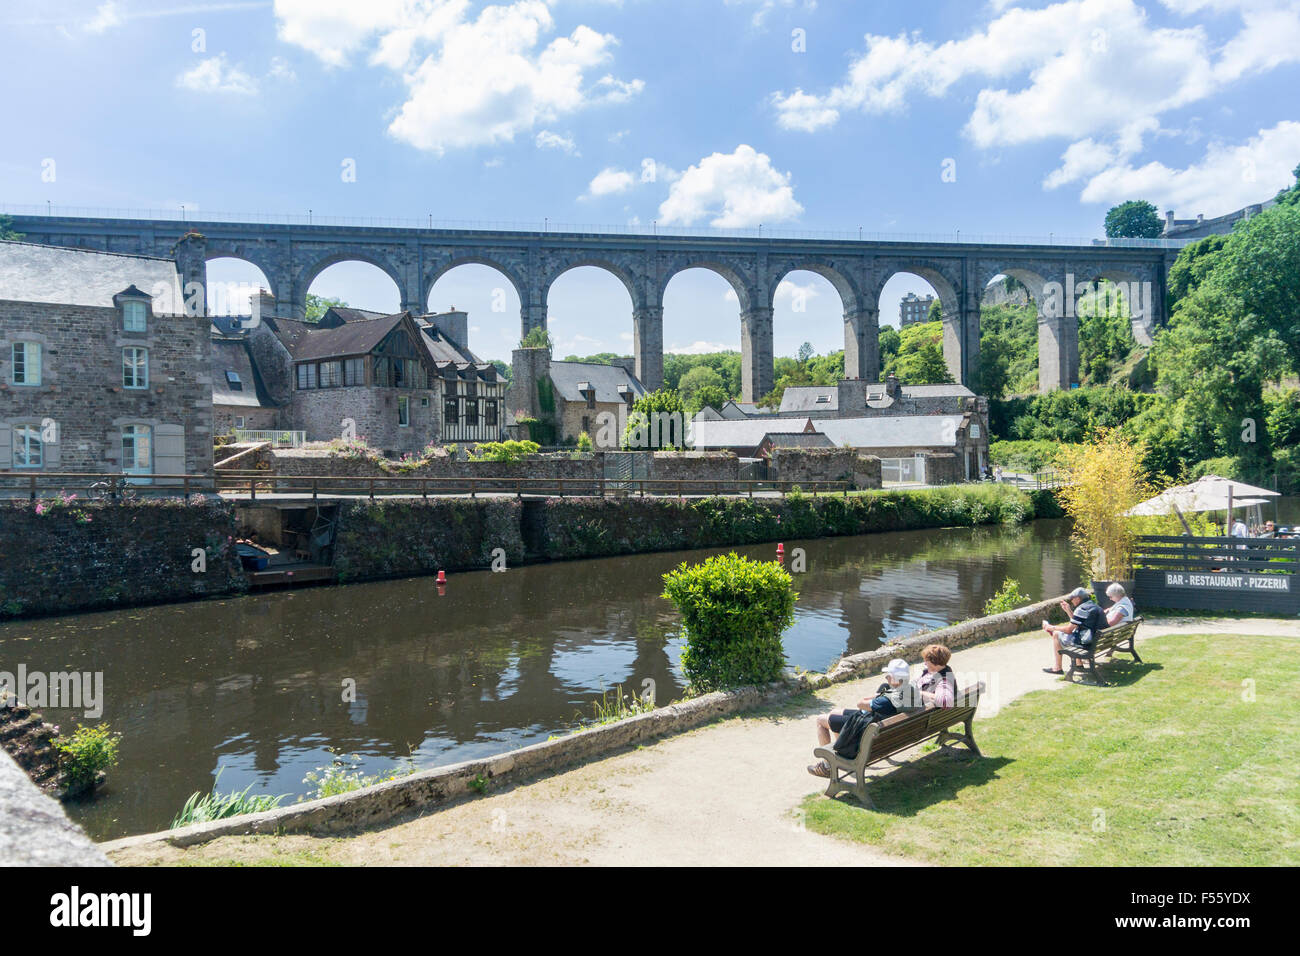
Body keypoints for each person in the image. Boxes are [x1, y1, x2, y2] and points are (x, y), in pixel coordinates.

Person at [808, 658, 923, 778]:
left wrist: (878, 696)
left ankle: (827, 766)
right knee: (835, 712)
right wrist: (883, 694)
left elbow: (861, 704)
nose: (886, 678)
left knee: (821, 720)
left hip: (864, 730)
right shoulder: (912, 691)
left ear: (894, 678)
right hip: (879, 728)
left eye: (888, 675)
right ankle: (840, 754)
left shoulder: (885, 701)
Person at [1042, 587, 1108, 675]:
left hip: (1087, 645)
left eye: (1072, 599)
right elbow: (1080, 623)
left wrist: (1051, 627)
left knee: (1056, 634)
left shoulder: (1082, 609)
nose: (1071, 601)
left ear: (1078, 598)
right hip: (1098, 642)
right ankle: (1078, 664)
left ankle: (1057, 668)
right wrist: (1068, 610)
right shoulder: (1095, 607)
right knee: (1077, 634)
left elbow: (1069, 630)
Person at [915, 644, 958, 708]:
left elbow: (946, 702)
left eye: (926, 661)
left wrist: (918, 693)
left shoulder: (945, 680)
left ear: (934, 661)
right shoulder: (938, 671)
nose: (925, 663)